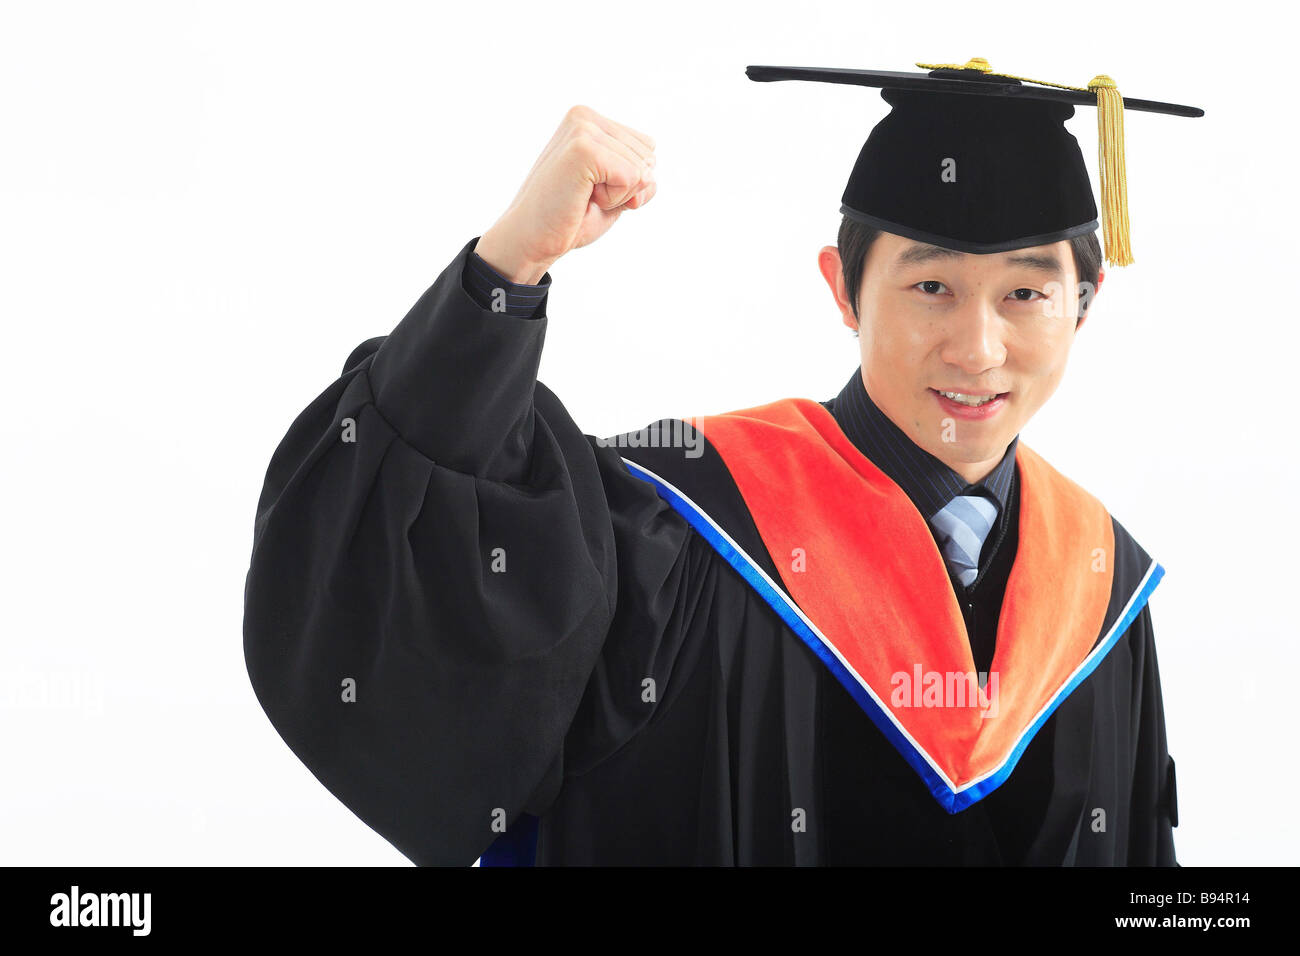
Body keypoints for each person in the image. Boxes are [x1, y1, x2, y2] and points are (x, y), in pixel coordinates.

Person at [242, 58, 1201, 865]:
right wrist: (510, 268)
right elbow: (423, 512)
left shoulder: (1100, 588)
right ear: (844, 289)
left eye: (1026, 294)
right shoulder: (679, 523)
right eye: (932, 288)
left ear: (1084, 303)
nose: (978, 349)